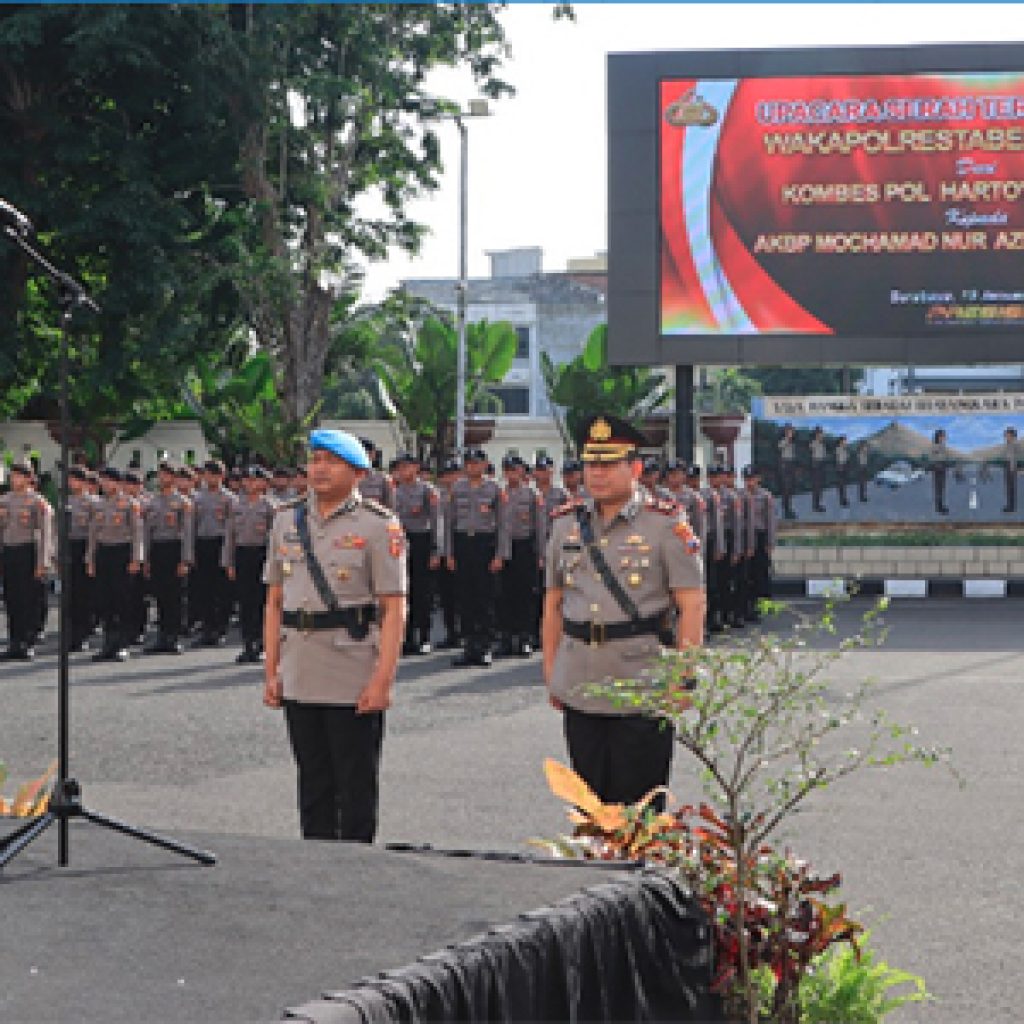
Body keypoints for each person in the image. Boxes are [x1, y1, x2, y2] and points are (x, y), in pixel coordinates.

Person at [542, 414, 705, 808]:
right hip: (581, 680)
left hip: (643, 683)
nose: (596, 475)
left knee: (640, 810)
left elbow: (692, 604)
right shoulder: (566, 525)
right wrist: (552, 672)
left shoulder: (665, 525)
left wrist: (682, 678)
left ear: (634, 468)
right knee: (589, 808)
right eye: (590, 465)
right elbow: (553, 604)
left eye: (608, 464)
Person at [262, 428, 406, 843]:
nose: (320, 468)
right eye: (315, 459)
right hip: (300, 667)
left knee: (355, 784)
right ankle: (316, 866)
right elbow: (274, 602)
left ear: (359, 471)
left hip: (352, 669)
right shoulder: (287, 520)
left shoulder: (378, 525)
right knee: (313, 782)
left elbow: (393, 608)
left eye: (332, 461)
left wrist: (383, 680)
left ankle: (356, 870)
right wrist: (272, 670)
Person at [444, 448, 508, 667]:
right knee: (465, 598)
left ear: (485, 464)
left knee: (485, 598)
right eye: (469, 463)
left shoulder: (495, 489)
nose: (473, 466)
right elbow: (449, 523)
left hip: (485, 545)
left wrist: (500, 554)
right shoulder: (457, 488)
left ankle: (485, 647)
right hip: (463, 545)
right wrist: (449, 553)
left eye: (477, 463)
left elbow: (503, 524)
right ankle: (469, 646)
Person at [87, 467, 144, 661]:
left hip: (122, 551)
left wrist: (136, 558)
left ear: (118, 483)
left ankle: (122, 643)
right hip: (104, 552)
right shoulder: (98, 504)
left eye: (109, 481)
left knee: (122, 599)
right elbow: (93, 533)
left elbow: (137, 533)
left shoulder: (130, 503)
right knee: (104, 599)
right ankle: (108, 642)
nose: (105, 484)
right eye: (103, 480)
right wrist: (91, 559)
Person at [0, 462, 53, 660]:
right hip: (9, 551)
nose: (14, 480)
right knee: (11, 598)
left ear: (29, 478)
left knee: (29, 599)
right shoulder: (4, 500)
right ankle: (14, 640)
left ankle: (28, 641)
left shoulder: (37, 502)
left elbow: (46, 533)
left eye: (18, 476)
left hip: (28, 551)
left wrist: (43, 561)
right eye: (12, 476)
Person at [223, 466, 276, 663]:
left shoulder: (270, 506)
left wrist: (275, 563)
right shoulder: (236, 505)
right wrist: (228, 562)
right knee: (245, 602)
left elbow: (276, 538)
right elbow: (230, 535)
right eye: (246, 480)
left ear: (263, 483)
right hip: (242, 553)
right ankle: (247, 643)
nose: (250, 484)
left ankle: (262, 644)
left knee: (262, 601)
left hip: (263, 554)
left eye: (254, 480)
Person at [142, 462, 194, 655]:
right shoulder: (152, 502)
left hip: (175, 549)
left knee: (175, 596)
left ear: (173, 478)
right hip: (157, 549)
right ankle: (161, 636)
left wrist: (185, 559)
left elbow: (187, 532)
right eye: (160, 475)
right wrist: (145, 558)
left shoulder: (183, 502)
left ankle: (173, 637)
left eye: (166, 475)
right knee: (160, 595)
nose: (162, 479)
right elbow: (147, 531)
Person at [393, 452, 440, 655]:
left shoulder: (427, 490)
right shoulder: (395, 490)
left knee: (423, 592)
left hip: (422, 540)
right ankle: (407, 637)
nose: (404, 471)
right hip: (402, 541)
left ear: (416, 468)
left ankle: (424, 636)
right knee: (405, 591)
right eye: (400, 468)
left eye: (407, 467)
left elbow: (437, 521)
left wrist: (436, 550)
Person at [500, 456, 545, 656]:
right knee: (504, 594)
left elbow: (540, 526)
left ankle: (526, 638)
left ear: (522, 472)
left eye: (514, 470)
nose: (511, 474)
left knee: (526, 594)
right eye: (507, 470)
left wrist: (540, 553)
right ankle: (507, 637)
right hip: (504, 548)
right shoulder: (499, 493)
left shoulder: (532, 494)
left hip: (525, 547)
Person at [191, 460, 236, 646]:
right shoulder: (197, 498)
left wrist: (228, 553)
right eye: (206, 474)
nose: (209, 478)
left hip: (221, 543)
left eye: (213, 474)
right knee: (204, 589)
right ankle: (207, 629)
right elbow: (192, 525)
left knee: (222, 589)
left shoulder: (229, 499)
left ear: (221, 476)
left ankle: (220, 628)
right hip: (202, 543)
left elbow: (231, 528)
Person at [68, 466, 98, 652]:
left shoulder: (93, 503)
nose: (71, 483)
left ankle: (84, 632)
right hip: (70, 546)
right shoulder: (67, 501)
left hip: (86, 546)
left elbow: (94, 532)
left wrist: (90, 556)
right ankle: (72, 633)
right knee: (71, 594)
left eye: (75, 479)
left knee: (85, 593)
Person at [434, 458, 463, 649]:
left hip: (461, 550)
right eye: (446, 475)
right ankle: (451, 632)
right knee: (447, 596)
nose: (450, 479)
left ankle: (466, 632)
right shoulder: (438, 497)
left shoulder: (466, 495)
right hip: (441, 551)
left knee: (463, 595)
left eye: (453, 474)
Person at [742, 466, 776, 622]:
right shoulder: (739, 495)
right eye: (747, 479)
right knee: (746, 573)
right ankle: (747, 605)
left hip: (760, 535)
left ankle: (762, 603)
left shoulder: (765, 496)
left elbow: (770, 520)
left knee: (761, 572)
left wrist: (770, 542)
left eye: (752, 479)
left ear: (758, 479)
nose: (750, 482)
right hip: (744, 536)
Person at [357, 437, 395, 510]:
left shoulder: (383, 479)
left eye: (365, 452)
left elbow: (390, 506)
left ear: (372, 454)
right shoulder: (344, 478)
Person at [929, 429, 951, 515]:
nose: (944, 437)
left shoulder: (942, 446)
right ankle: (939, 507)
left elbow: (944, 457)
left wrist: (946, 464)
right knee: (938, 489)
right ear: (938, 436)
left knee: (941, 489)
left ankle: (940, 506)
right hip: (938, 468)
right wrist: (938, 465)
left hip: (942, 468)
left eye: (944, 436)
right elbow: (934, 457)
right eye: (942, 436)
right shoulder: (935, 446)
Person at [778, 424, 797, 519]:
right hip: (784, 464)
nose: (792, 433)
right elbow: (780, 447)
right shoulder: (783, 440)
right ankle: (787, 510)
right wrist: (787, 439)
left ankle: (786, 505)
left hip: (791, 464)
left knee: (790, 486)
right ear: (786, 432)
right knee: (786, 486)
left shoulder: (792, 442)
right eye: (790, 431)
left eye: (792, 432)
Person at [809, 426, 826, 513]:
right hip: (816, 464)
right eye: (820, 433)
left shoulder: (822, 444)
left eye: (822, 433)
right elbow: (811, 450)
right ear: (817, 434)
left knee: (820, 486)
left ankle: (819, 504)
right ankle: (815, 506)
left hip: (821, 464)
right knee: (816, 486)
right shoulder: (813, 443)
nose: (822, 435)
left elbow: (823, 455)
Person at [1002, 427, 1018, 514]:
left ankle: (1011, 507)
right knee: (1008, 488)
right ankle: (1009, 505)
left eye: (1007, 435)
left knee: (1010, 489)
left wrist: (1012, 469)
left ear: (1011, 435)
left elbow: (1013, 458)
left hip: (1011, 467)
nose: (1005, 436)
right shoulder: (1008, 444)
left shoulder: (1013, 444)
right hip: (1008, 466)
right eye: (1005, 435)